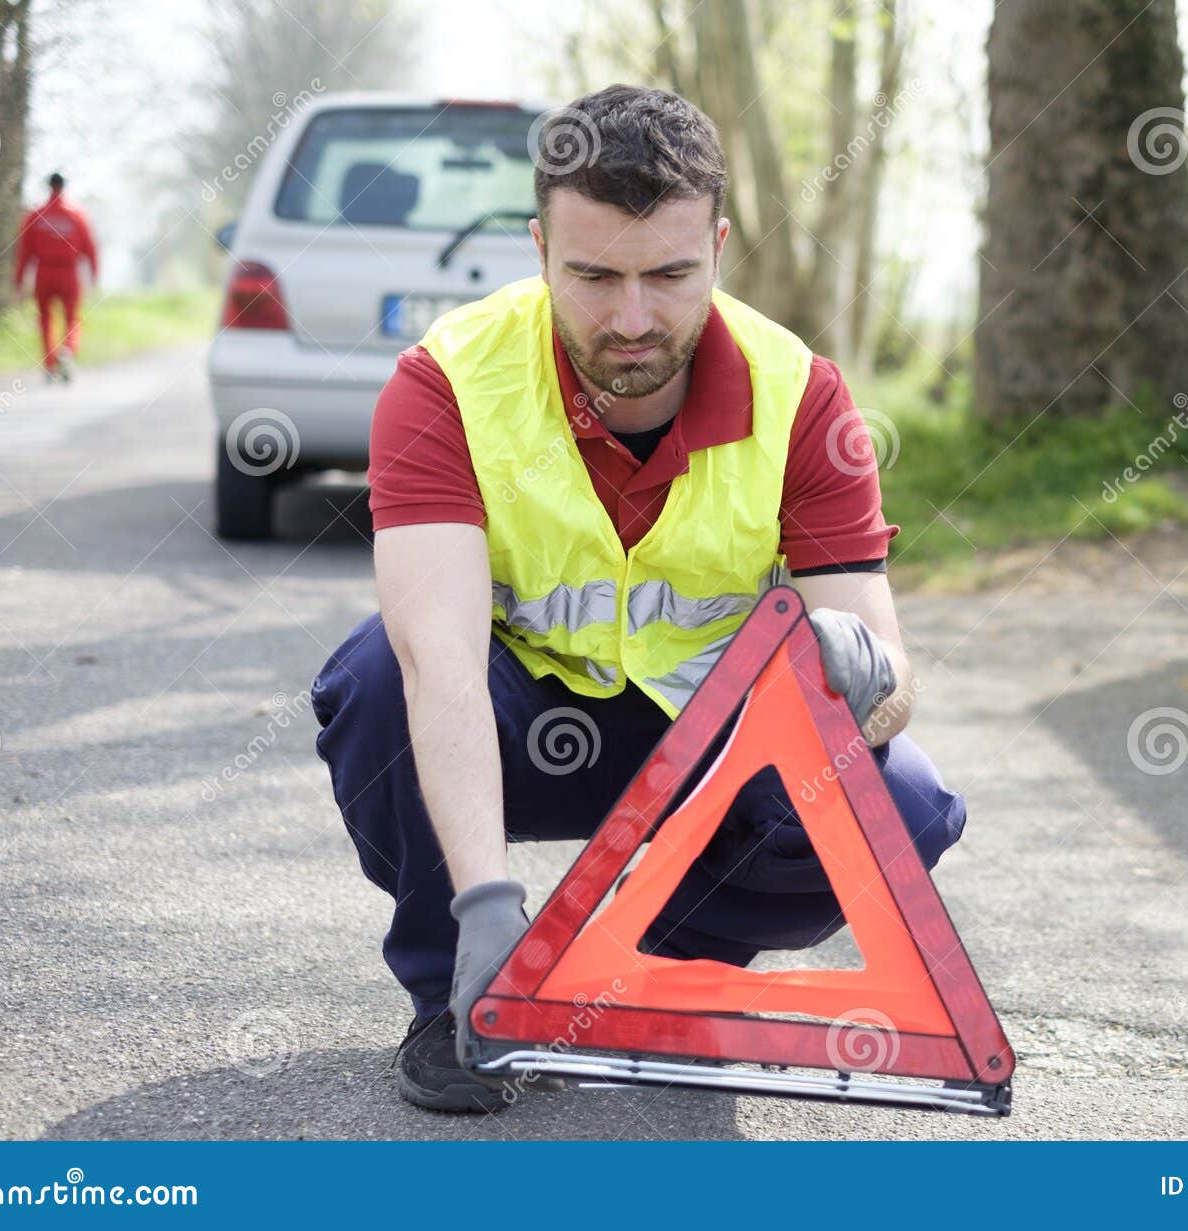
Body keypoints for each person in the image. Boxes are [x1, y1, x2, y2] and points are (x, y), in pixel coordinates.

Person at [310, 85, 968, 1114]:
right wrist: (486, 906)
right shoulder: (447, 383)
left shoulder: (802, 395)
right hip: (518, 735)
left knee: (904, 801)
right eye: (593, 276)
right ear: (540, 251)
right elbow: (436, 660)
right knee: (372, 682)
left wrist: (863, 677)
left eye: (668, 275)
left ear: (717, 247)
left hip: (711, 754)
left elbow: (889, 678)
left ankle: (640, 972)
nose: (632, 319)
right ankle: (456, 992)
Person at [13, 172, 98, 382]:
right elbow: (90, 249)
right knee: (72, 318)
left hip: (44, 272)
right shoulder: (77, 216)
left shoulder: (35, 216)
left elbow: (24, 252)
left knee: (45, 319)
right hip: (69, 272)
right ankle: (67, 350)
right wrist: (94, 275)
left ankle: (50, 365)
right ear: (63, 187)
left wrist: (19, 280)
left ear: (49, 187)